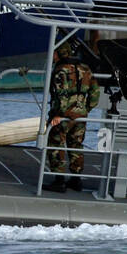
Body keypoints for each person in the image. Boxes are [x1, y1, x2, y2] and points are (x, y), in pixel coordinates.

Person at [46, 41, 101, 192]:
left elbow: (61, 94)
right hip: (80, 116)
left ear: (59, 53)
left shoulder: (60, 70)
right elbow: (95, 94)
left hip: (63, 116)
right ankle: (76, 180)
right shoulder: (86, 69)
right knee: (76, 145)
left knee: (55, 144)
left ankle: (59, 180)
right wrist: (84, 109)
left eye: (55, 52)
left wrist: (59, 114)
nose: (53, 55)